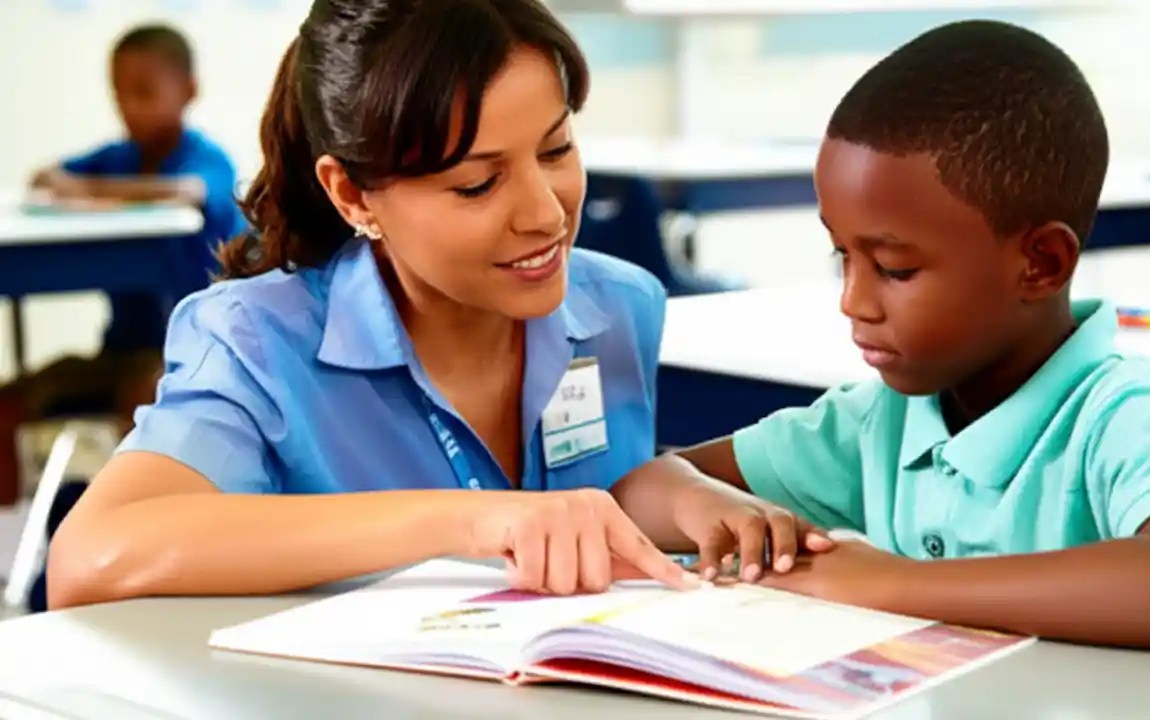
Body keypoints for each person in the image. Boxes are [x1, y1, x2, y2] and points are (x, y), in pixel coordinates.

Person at [47, 0, 822, 609]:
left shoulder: (615, 307)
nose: (545, 215)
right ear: (353, 195)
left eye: (556, 149)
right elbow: (91, 556)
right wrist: (469, 520)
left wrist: (677, 492)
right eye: (477, 184)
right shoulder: (258, 342)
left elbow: (593, 499)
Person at [613, 20, 1150, 653]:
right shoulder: (880, 422)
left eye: (894, 269)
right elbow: (639, 493)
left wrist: (890, 583)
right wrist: (705, 505)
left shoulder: (1129, 413)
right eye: (842, 257)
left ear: (1041, 264)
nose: (853, 301)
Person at [0, 24, 246, 505]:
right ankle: (13, 542)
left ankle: (136, 522)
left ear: (188, 91)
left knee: (148, 396)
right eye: (120, 94)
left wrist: (86, 192)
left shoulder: (205, 158)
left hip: (189, 356)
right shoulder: (118, 159)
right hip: (118, 353)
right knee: (7, 404)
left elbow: (191, 192)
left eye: (145, 92)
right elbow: (46, 177)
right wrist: (79, 187)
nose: (130, 107)